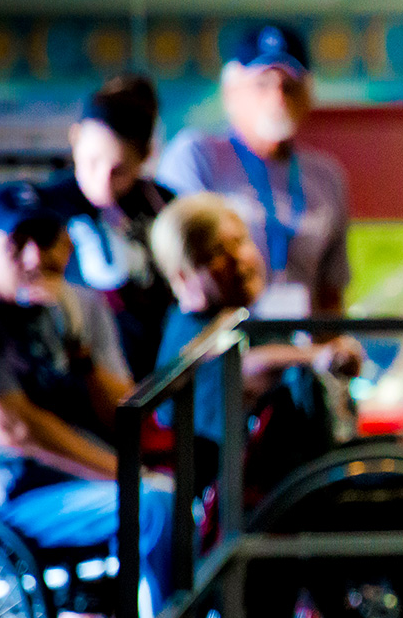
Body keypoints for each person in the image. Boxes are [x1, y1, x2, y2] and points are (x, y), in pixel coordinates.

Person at [0, 181, 174, 618]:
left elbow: (123, 416)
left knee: (184, 495)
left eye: (46, 239)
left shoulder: (82, 306)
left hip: (85, 487)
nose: (36, 257)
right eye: (18, 242)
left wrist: (81, 352)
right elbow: (16, 429)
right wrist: (126, 475)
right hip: (13, 497)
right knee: (152, 503)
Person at [148, 192, 359, 494]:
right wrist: (315, 355)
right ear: (183, 275)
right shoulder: (193, 332)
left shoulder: (247, 321)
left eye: (240, 241)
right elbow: (246, 366)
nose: (239, 258)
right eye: (217, 252)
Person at [156, 24, 351, 319]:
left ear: (308, 94)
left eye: (289, 86)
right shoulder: (196, 157)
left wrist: (329, 352)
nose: (277, 98)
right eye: (262, 84)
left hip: (301, 353)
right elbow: (183, 277)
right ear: (231, 92)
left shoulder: (327, 176)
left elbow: (331, 289)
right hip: (223, 348)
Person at [35, 74, 174, 378]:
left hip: (151, 370)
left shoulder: (163, 206)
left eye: (119, 170)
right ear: (75, 139)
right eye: (92, 162)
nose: (102, 182)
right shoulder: (41, 207)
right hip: (74, 374)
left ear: (145, 158)